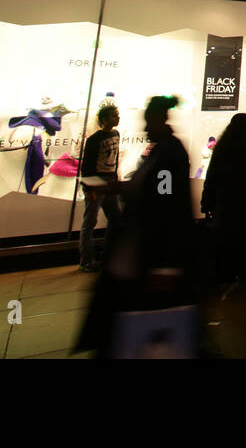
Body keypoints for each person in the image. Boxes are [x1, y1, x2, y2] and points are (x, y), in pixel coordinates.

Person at [75, 96, 195, 356]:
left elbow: (167, 203)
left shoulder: (168, 153)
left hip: (150, 255)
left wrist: (165, 263)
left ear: (158, 119)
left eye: (148, 122)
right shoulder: (162, 151)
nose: (145, 128)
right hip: (143, 253)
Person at [200, 113, 246, 285]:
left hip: (226, 203)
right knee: (245, 240)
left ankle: (226, 274)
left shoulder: (223, 147)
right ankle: (243, 273)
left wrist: (206, 201)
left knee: (227, 240)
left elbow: (212, 175)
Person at [78, 101, 122, 272]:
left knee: (115, 218)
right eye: (113, 115)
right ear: (103, 119)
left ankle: (108, 255)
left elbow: (114, 161)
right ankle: (86, 259)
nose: (117, 118)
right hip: (96, 182)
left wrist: (115, 179)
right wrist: (89, 189)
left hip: (110, 181)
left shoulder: (116, 135)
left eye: (117, 115)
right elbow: (87, 166)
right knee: (90, 221)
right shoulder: (94, 140)